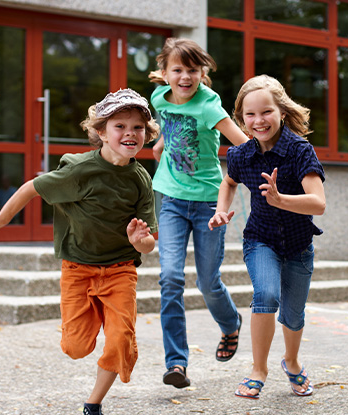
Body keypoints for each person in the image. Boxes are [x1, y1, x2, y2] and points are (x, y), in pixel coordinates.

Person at [0, 88, 158, 415]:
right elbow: (32, 188)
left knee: (120, 337)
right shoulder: (79, 170)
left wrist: (140, 241)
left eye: (137, 127)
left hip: (121, 270)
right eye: (120, 126)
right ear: (100, 133)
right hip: (78, 269)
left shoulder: (140, 180)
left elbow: (149, 243)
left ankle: (93, 404)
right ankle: (99, 330)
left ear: (146, 135)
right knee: (76, 347)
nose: (129, 133)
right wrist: (0, 220)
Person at [208, 75, 326, 399]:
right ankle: (258, 369)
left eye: (266, 112)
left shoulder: (300, 150)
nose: (258, 121)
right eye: (250, 114)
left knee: (293, 314)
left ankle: (292, 361)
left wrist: (281, 199)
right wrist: (221, 209)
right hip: (260, 240)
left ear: (282, 112)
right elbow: (229, 182)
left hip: (299, 246)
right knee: (267, 295)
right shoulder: (241, 155)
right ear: (241, 118)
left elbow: (319, 203)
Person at [148, 37, 250, 389]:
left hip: (209, 202)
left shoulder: (210, 107)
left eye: (192, 70)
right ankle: (177, 363)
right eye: (177, 70)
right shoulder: (158, 98)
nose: (185, 77)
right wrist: (160, 147)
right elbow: (168, 128)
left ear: (202, 72)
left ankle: (231, 323)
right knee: (170, 279)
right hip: (172, 201)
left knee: (207, 282)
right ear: (164, 73)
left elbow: (245, 144)